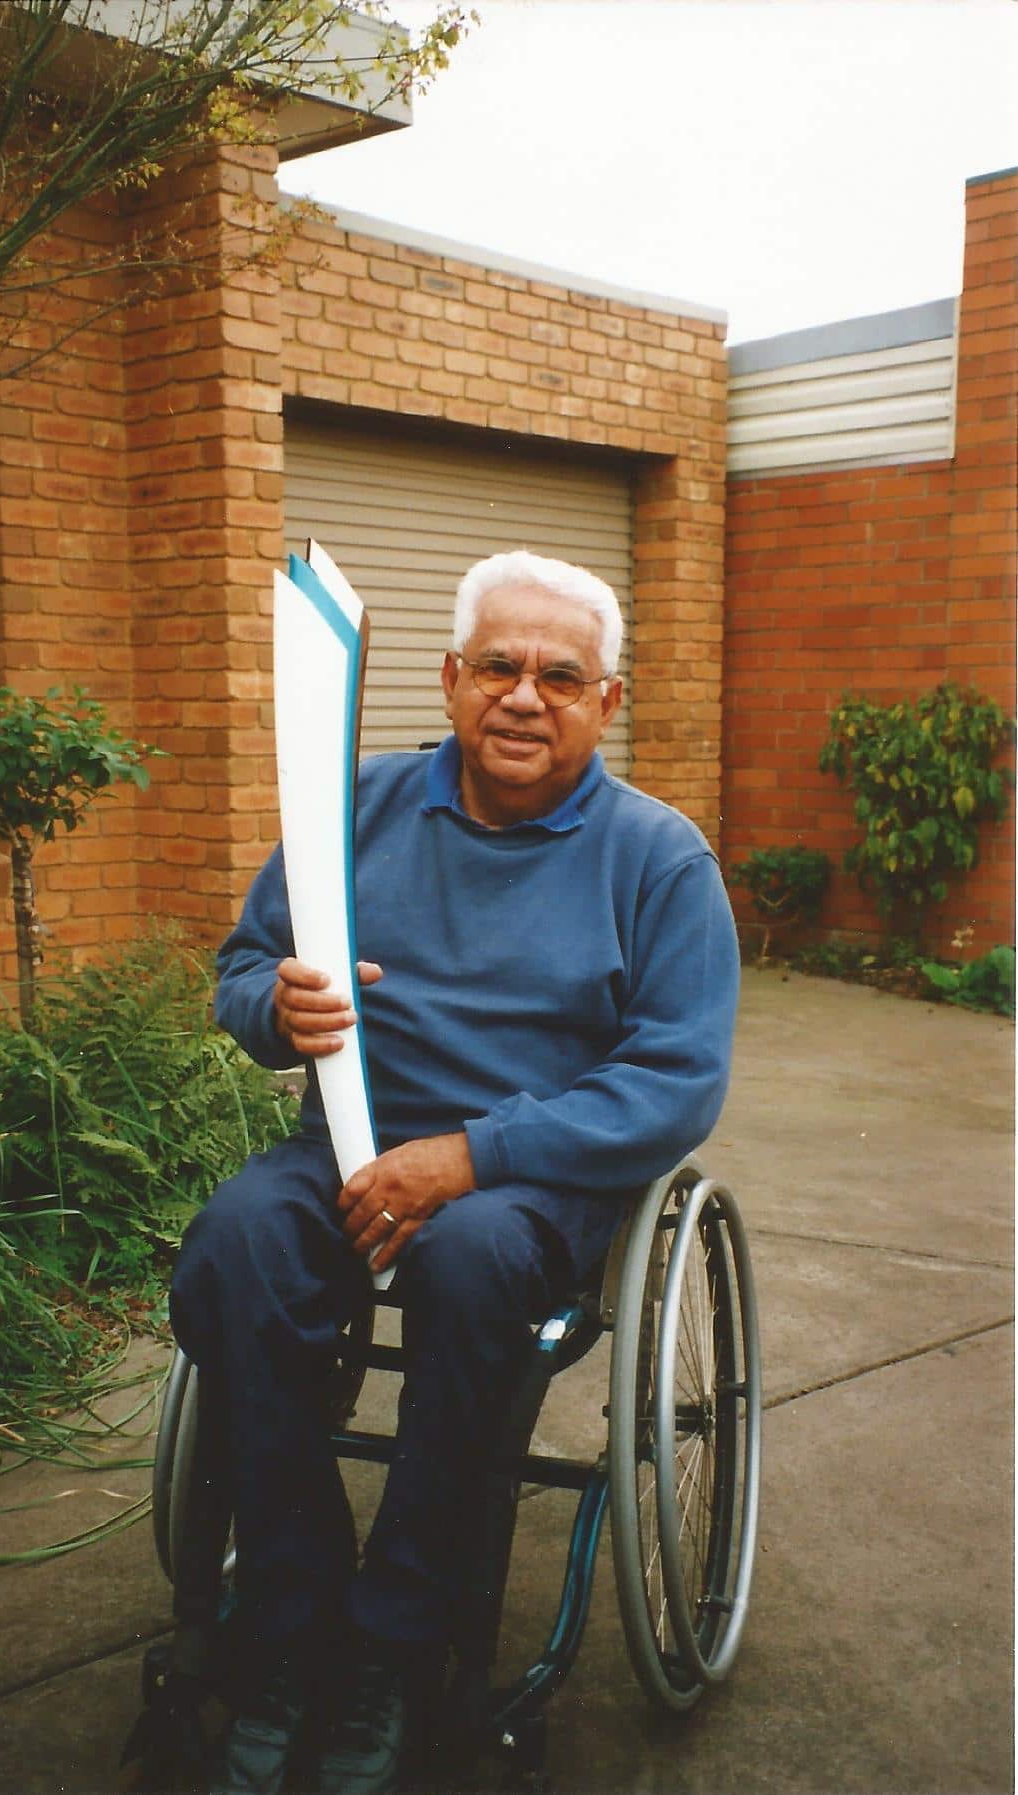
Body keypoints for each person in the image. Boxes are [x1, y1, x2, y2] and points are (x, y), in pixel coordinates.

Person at [170, 550, 740, 1794]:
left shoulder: (659, 860)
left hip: (527, 1181)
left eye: (559, 675)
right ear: (449, 679)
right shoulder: (355, 809)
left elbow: (677, 1080)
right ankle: (290, 1614)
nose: (524, 697)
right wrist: (281, 1005)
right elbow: (240, 970)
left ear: (608, 699)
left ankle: (393, 1643)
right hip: (349, 1141)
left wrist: (473, 1156)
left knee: (477, 1263)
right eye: (499, 667)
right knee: (236, 1243)